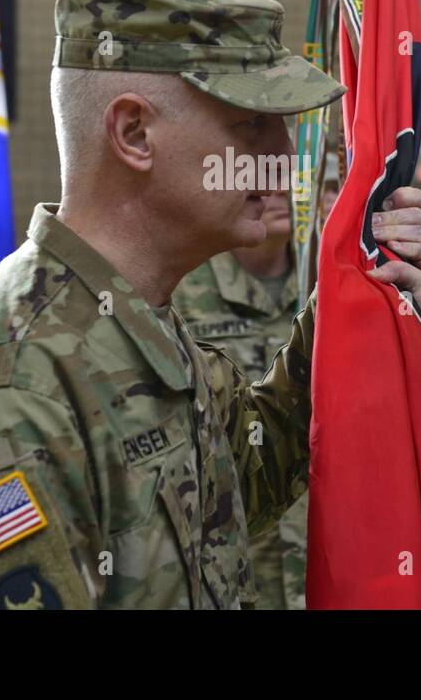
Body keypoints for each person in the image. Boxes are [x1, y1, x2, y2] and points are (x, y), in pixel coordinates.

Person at [0, 0, 421, 609]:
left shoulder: (133, 329)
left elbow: (245, 482)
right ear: (134, 134)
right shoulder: (10, 399)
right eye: (251, 125)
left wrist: (357, 292)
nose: (284, 153)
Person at [171, 193, 302, 609]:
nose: (279, 192)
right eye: (260, 178)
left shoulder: (330, 288)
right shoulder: (178, 293)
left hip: (328, 551)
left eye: (290, 178)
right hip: (232, 570)